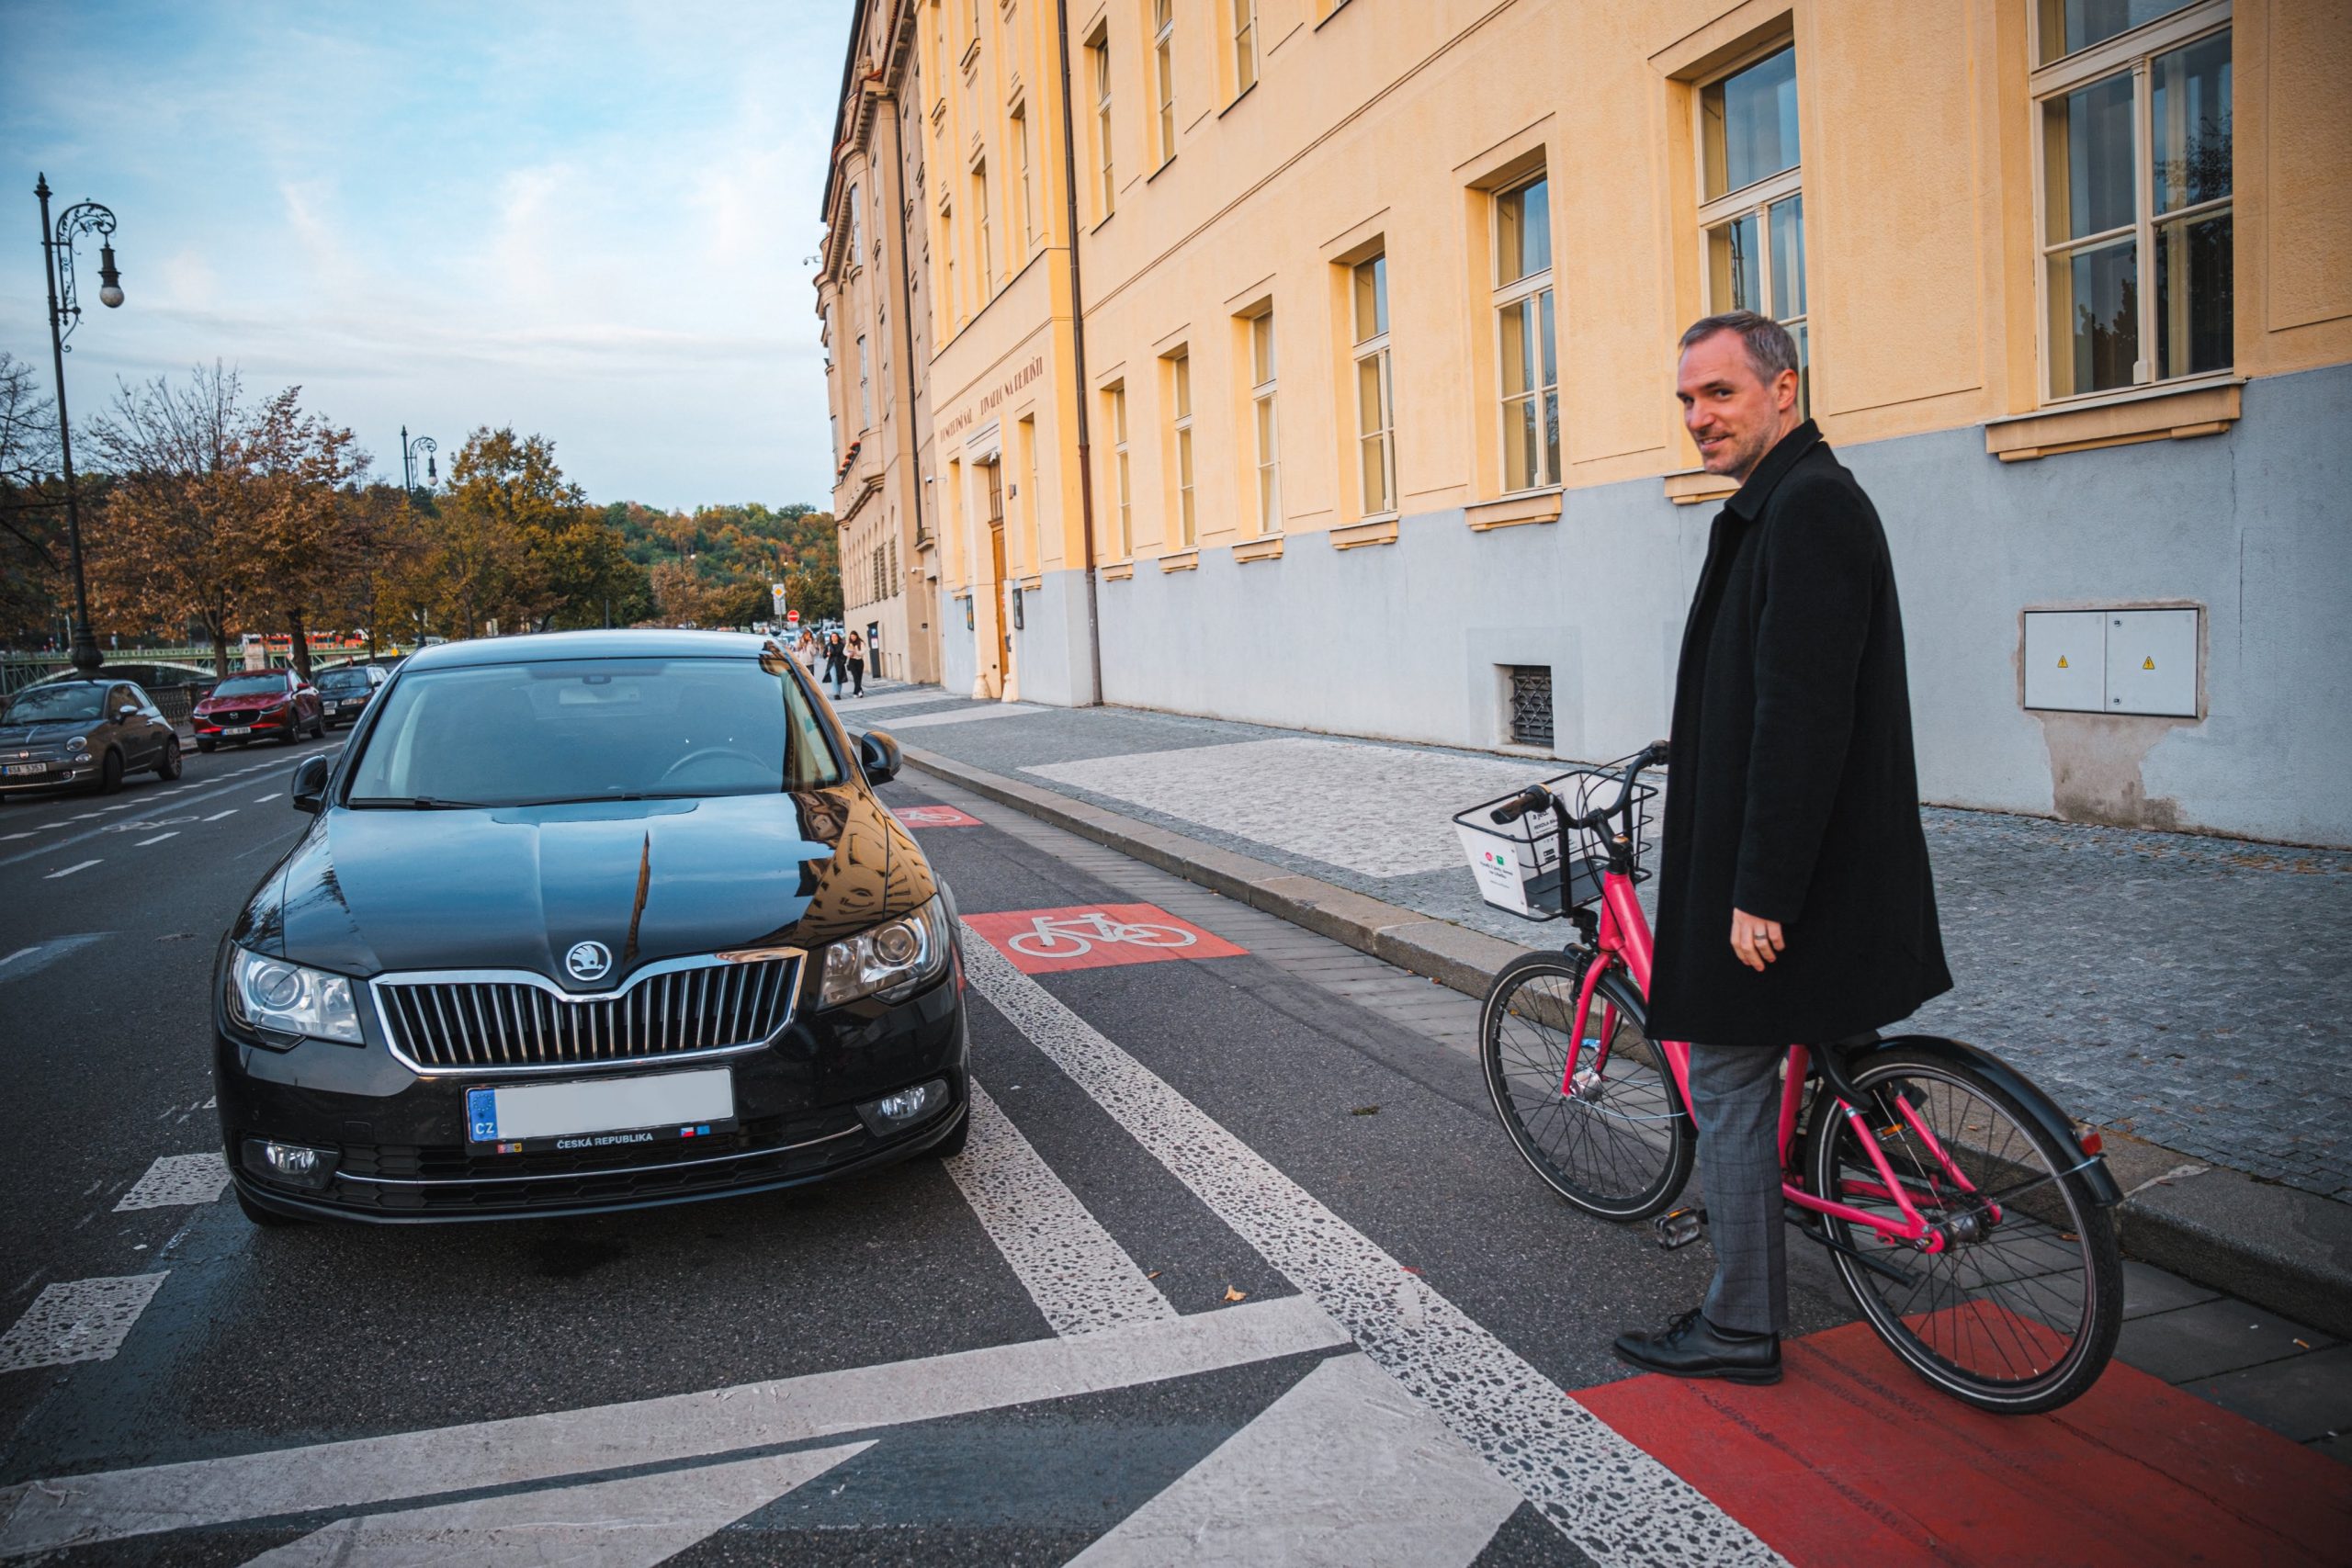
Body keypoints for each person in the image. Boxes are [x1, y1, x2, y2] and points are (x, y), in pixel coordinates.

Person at [1611, 310, 1952, 1387]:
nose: (1697, 418)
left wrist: (1760, 892)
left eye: (1717, 394)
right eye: (1686, 400)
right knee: (1788, 1058)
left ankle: (1738, 1324)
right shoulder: (1789, 501)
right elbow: (1776, 681)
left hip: (1787, 882)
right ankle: (1861, 1162)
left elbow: (1804, 717)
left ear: (1783, 390)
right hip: (1806, 863)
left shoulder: (1806, 509)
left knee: (1726, 1076)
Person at [822, 631, 846, 699]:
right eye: (832, 637)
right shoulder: (828, 645)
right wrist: (827, 655)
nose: (834, 638)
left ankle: (838, 693)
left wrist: (843, 661)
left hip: (840, 663)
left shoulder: (841, 645)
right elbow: (824, 655)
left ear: (837, 637)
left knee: (839, 678)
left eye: (835, 636)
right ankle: (835, 694)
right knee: (834, 678)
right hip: (831, 663)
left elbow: (844, 655)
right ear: (831, 638)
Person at [845, 631, 866, 698]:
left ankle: (856, 691)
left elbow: (863, 652)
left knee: (859, 677)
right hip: (852, 661)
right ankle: (859, 691)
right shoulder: (849, 643)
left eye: (854, 636)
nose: (853, 638)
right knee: (855, 676)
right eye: (851, 636)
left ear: (856, 636)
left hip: (859, 661)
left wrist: (856, 652)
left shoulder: (861, 643)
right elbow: (844, 651)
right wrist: (849, 654)